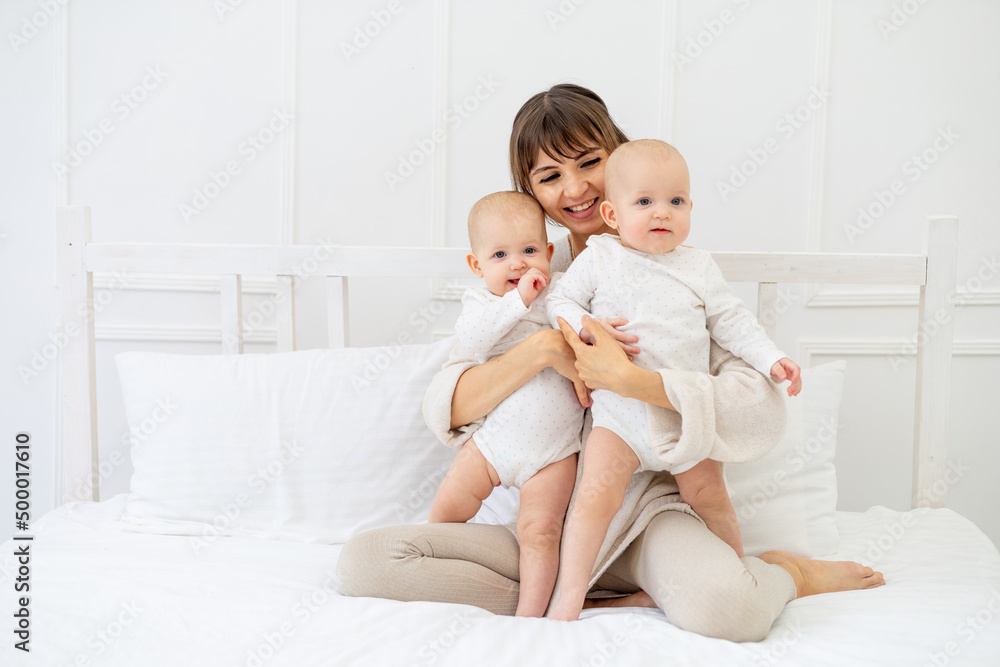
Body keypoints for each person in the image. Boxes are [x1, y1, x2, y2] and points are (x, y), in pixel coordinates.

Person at [337, 84, 884, 641]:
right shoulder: (525, 274)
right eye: (550, 176)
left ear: (618, 155)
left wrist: (634, 382)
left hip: (648, 523)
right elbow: (450, 403)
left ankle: (787, 573)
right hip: (545, 528)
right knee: (368, 562)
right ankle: (600, 596)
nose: (574, 188)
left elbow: (752, 406)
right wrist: (544, 349)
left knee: (731, 611)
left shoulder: (676, 271)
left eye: (588, 162)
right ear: (530, 191)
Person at [544, 139, 801, 621]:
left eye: (676, 201)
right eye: (644, 201)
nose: (662, 212)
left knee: (711, 497)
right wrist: (587, 326)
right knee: (594, 500)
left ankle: (741, 570)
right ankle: (568, 598)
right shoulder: (599, 257)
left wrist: (771, 359)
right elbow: (559, 301)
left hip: (680, 416)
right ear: (612, 214)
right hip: (619, 420)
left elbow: (731, 321)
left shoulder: (697, 265)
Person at [428, 191, 585, 618]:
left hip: (554, 452)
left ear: (549, 254)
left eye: (529, 251)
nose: (517, 264)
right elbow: (476, 341)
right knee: (449, 505)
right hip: (492, 443)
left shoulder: (560, 293)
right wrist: (518, 301)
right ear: (477, 265)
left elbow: (581, 330)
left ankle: (529, 617)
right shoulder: (482, 302)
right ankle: (429, 557)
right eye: (500, 255)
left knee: (540, 532)